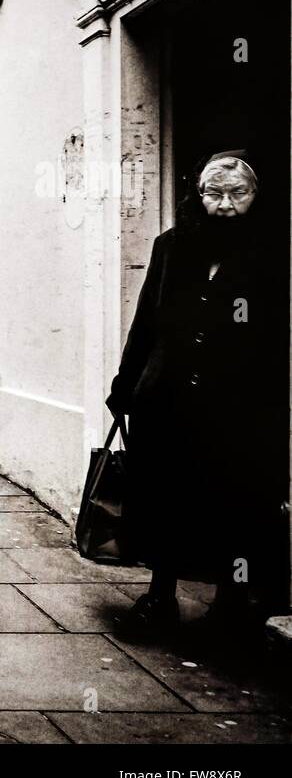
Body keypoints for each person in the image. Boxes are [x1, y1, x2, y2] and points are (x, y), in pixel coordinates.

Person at [107, 151, 287, 640]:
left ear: (258, 195)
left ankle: (230, 605)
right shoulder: (172, 247)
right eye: (213, 193)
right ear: (197, 194)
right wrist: (124, 386)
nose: (224, 205)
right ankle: (159, 598)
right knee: (164, 501)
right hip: (165, 400)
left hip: (240, 407)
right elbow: (145, 322)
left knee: (237, 507)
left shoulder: (275, 252)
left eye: (238, 193)